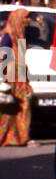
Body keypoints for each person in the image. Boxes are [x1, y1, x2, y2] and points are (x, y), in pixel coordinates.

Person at [0, 8, 33, 147]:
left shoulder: (20, 35)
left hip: (19, 78)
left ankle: (20, 137)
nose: (28, 21)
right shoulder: (8, 36)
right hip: (10, 77)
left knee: (20, 107)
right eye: (26, 18)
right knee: (9, 108)